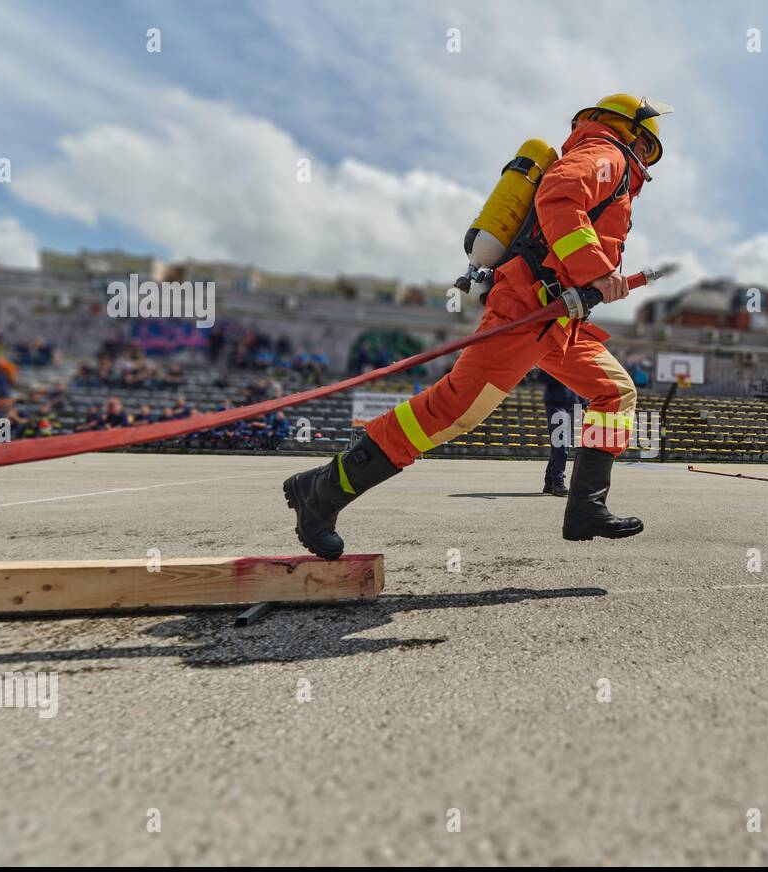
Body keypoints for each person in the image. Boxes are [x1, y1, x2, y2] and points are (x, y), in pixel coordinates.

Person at [282, 93, 672, 559]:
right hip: (529, 311)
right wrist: (597, 270)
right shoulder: (606, 152)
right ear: (630, 129)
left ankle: (586, 506)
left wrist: (593, 279)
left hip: (558, 319)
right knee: (453, 411)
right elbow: (560, 195)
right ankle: (322, 492)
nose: (647, 160)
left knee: (615, 391)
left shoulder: (605, 157)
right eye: (647, 147)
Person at [540, 368, 577, 496]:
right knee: (561, 444)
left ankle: (550, 482)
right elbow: (542, 377)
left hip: (573, 406)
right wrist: (563, 373)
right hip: (556, 404)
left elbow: (583, 384)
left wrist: (583, 405)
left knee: (561, 445)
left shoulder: (579, 362)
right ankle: (558, 483)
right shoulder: (555, 361)